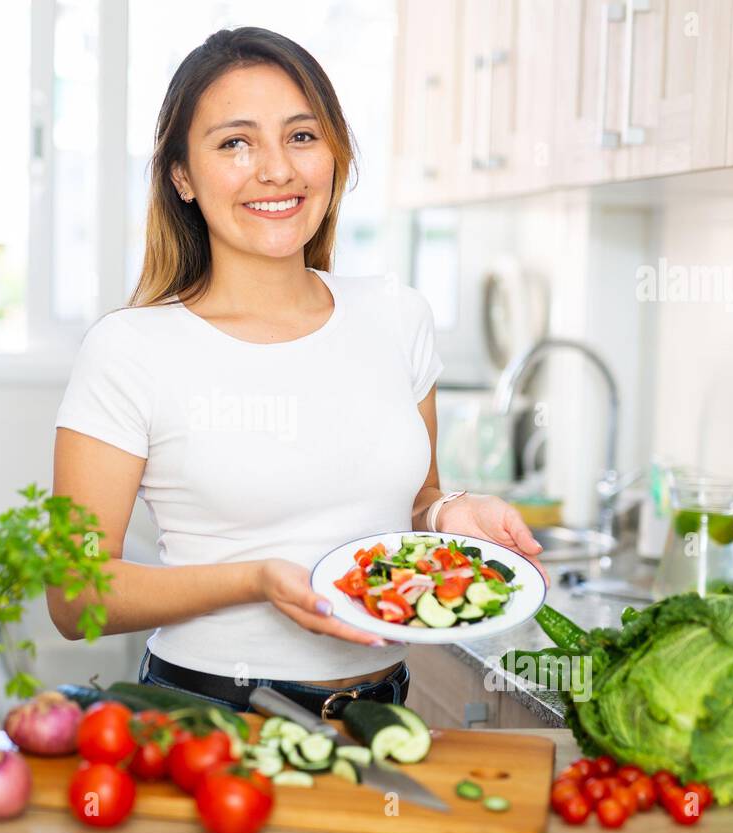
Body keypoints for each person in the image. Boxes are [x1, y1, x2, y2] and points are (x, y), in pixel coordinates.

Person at [48, 26, 544, 719]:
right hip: (209, 714)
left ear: (335, 154)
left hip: (384, 709)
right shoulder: (130, 349)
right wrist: (255, 580)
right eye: (235, 142)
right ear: (182, 176)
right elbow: (75, 598)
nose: (277, 169)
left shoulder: (398, 316)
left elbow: (413, 500)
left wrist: (450, 513)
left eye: (302, 136)